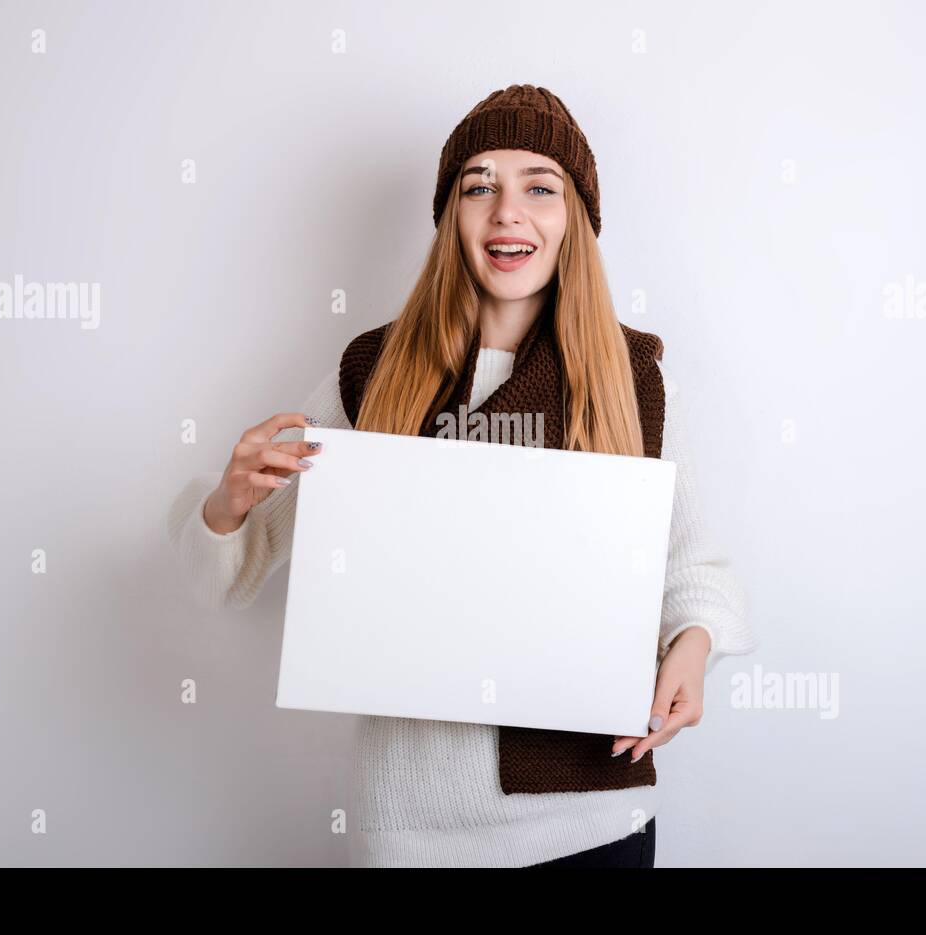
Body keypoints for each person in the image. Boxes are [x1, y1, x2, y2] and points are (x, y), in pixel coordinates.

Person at [166, 84, 756, 867]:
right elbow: (229, 581)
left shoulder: (637, 381)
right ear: (450, 218)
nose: (507, 211)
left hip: (596, 822)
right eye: (479, 186)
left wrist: (693, 645)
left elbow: (697, 573)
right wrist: (226, 507)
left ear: (575, 219)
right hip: (413, 833)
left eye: (539, 187)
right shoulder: (373, 375)